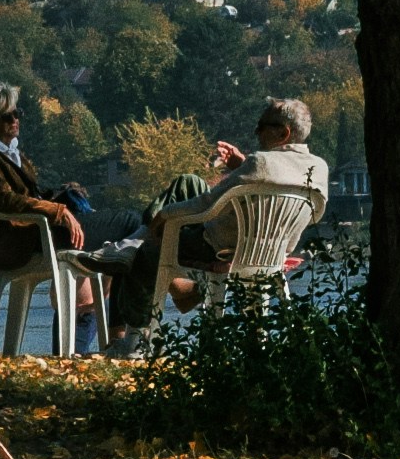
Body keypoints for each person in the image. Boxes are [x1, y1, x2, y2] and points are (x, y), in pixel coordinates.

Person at [96, 94, 331, 329]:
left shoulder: (260, 162)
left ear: (283, 133)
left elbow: (207, 203)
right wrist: (242, 167)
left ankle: (135, 337)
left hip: (219, 247)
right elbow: (312, 215)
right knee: (188, 182)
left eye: (262, 126)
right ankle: (143, 248)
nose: (256, 132)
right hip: (271, 253)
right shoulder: (319, 168)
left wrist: (164, 216)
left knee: (145, 253)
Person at [0, 86, 97, 354]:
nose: (15, 120)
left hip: (36, 234)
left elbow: (32, 195)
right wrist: (58, 211)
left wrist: (62, 195)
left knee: (115, 247)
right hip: (21, 242)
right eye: (7, 116)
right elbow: (6, 201)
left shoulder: (11, 153)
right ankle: (109, 340)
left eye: (17, 113)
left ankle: (87, 343)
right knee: (127, 228)